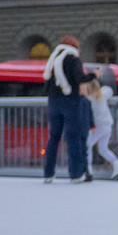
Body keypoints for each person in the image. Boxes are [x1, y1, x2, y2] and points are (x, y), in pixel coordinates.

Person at [41, 35, 90, 184]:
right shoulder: (72, 59)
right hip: (70, 101)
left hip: (53, 102)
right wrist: (95, 75)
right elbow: (79, 78)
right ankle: (76, 174)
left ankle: (48, 173)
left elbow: (46, 85)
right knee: (73, 137)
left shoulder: (52, 61)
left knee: (54, 138)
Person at [83, 72, 118, 179]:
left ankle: (88, 170)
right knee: (102, 149)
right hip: (107, 125)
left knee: (87, 145)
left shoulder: (88, 99)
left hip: (97, 127)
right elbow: (109, 90)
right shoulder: (103, 94)